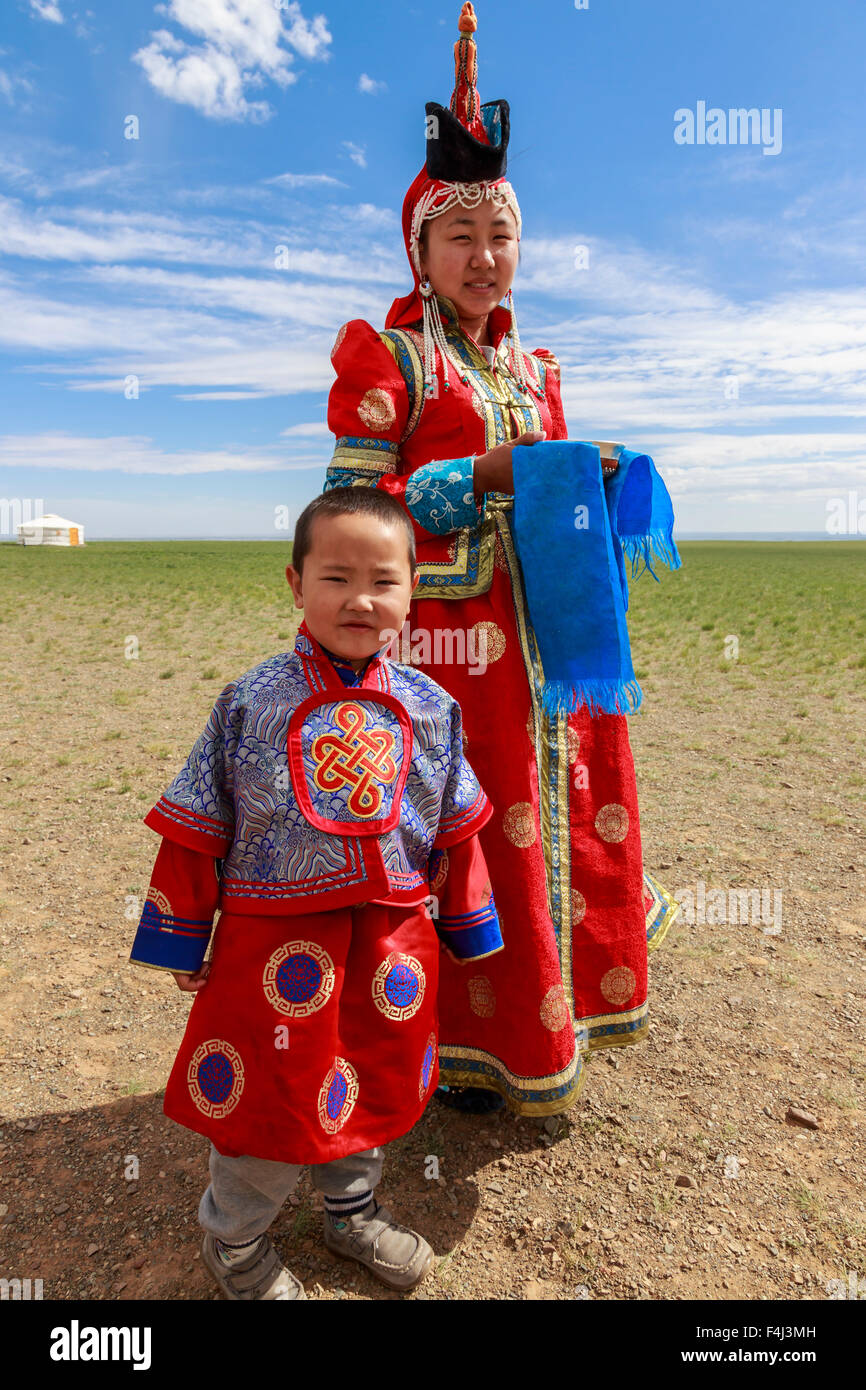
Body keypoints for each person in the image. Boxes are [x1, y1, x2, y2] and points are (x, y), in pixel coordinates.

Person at [324, 3, 681, 1117]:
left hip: (544, 643)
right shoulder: (385, 358)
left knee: (554, 824)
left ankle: (544, 1024)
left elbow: (544, 475)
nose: (485, 256)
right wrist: (479, 476)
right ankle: (451, 1050)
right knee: (469, 834)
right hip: (444, 654)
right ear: (421, 251)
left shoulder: (534, 364)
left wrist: (594, 475)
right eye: (460, 236)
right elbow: (345, 508)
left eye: (500, 235)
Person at [128, 486, 503, 1300]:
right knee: (268, 1097)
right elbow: (198, 824)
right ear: (295, 583)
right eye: (335, 577)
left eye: (383, 580)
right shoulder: (251, 701)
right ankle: (233, 1241)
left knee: (370, 1077)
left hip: (390, 944)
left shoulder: (433, 709)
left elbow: (456, 831)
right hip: (273, 951)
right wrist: (185, 937)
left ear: (413, 590)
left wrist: (471, 931)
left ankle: (352, 1211)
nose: (360, 599)